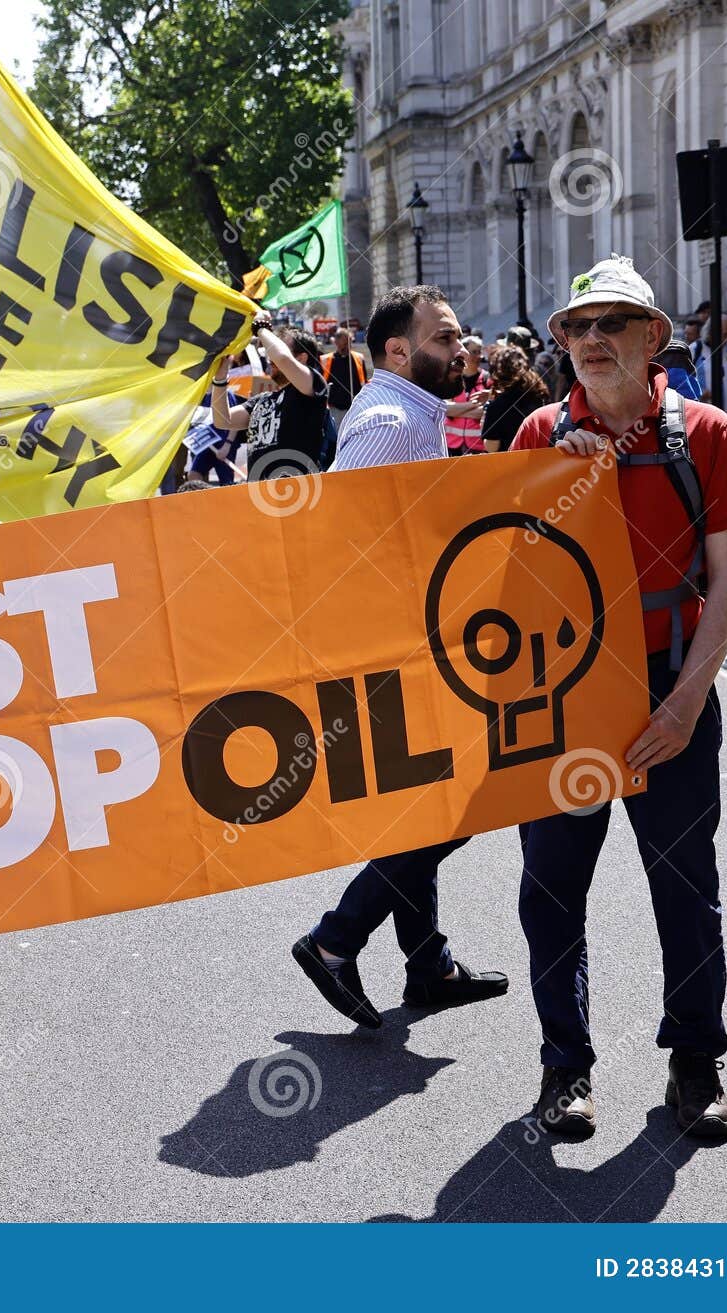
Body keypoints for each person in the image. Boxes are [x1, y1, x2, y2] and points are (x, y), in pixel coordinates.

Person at [510, 255, 727, 1141]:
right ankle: (563, 1069)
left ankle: (696, 1060)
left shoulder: (707, 434)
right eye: (576, 327)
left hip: (671, 684)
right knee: (551, 887)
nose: (589, 340)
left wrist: (688, 701)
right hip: (564, 694)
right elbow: (501, 583)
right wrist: (552, 487)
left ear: (652, 337)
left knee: (687, 887)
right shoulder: (537, 434)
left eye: (610, 323)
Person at [293, 285, 508, 1029]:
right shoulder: (387, 420)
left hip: (407, 643)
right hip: (391, 651)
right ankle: (335, 939)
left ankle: (428, 964)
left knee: (426, 805)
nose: (461, 350)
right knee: (454, 807)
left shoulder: (407, 411)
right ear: (397, 351)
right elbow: (342, 545)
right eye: (445, 339)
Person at [209, 316, 329, 478]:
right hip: (260, 496)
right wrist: (220, 380)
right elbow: (223, 420)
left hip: (300, 493)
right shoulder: (262, 399)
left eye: (275, 348)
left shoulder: (313, 386)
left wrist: (260, 328)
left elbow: (283, 359)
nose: (269, 357)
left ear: (301, 358)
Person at [480, 343, 549, 452]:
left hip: (509, 463)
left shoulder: (496, 406)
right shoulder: (539, 394)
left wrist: (483, 424)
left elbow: (491, 447)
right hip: (537, 459)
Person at [444, 335, 491, 454]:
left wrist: (456, 409)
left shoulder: (487, 379)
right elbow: (443, 408)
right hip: (452, 447)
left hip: (478, 447)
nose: (479, 356)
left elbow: (488, 412)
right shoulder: (450, 378)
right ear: (464, 353)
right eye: (474, 352)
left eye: (480, 352)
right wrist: (472, 406)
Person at [321, 326, 368, 432]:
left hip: (356, 406)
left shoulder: (359, 358)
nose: (347, 345)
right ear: (336, 342)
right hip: (335, 408)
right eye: (344, 343)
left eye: (349, 342)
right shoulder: (326, 360)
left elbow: (364, 381)